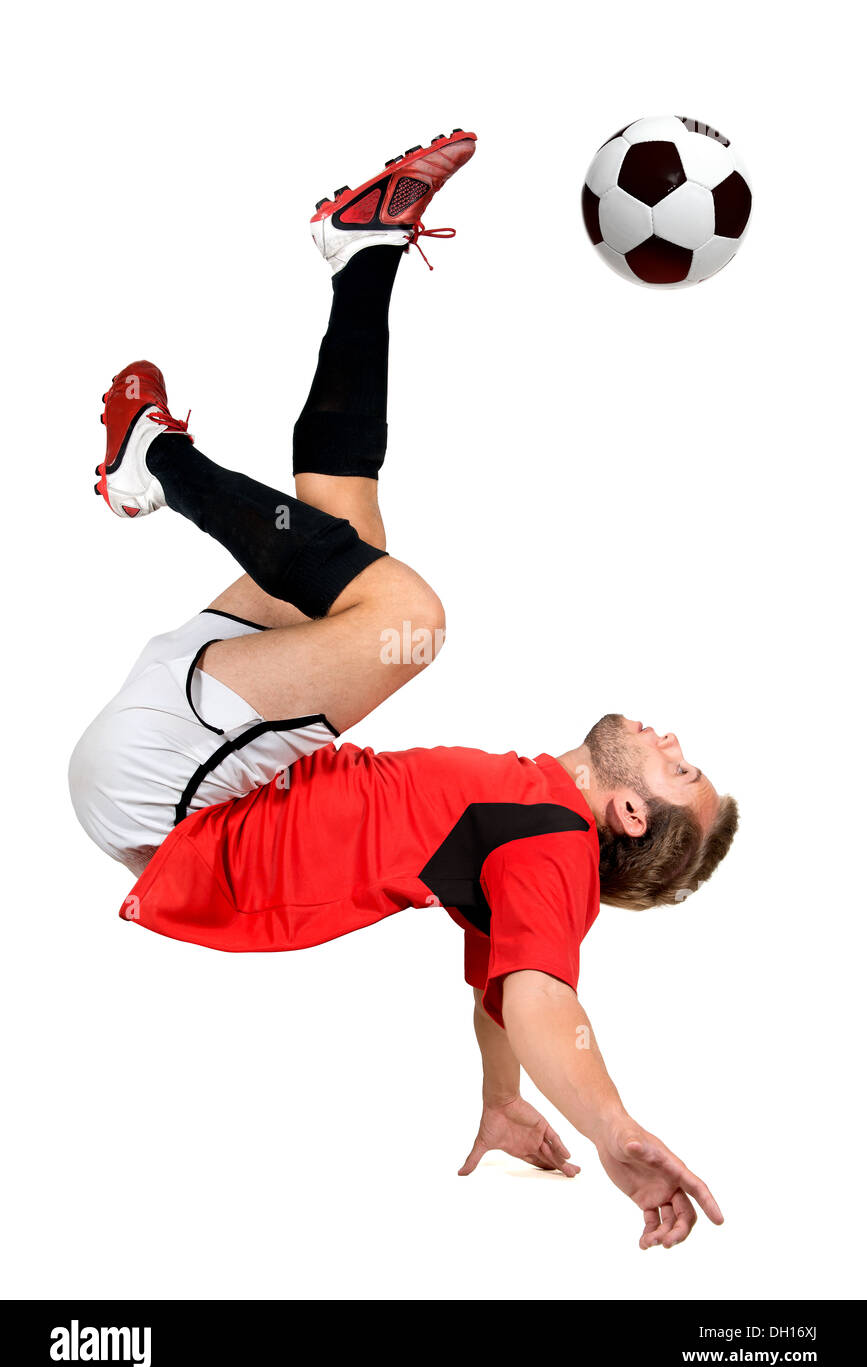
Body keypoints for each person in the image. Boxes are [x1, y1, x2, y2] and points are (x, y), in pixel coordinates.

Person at [70, 130, 738, 1249]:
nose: (670, 737)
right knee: (348, 540)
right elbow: (503, 987)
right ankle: (364, 252)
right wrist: (499, 1094)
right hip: (222, 753)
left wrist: (613, 1124)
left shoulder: (555, 848)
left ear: (630, 812)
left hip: (174, 801)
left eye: (680, 766)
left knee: (409, 625)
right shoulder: (524, 850)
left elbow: (544, 999)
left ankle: (154, 465)